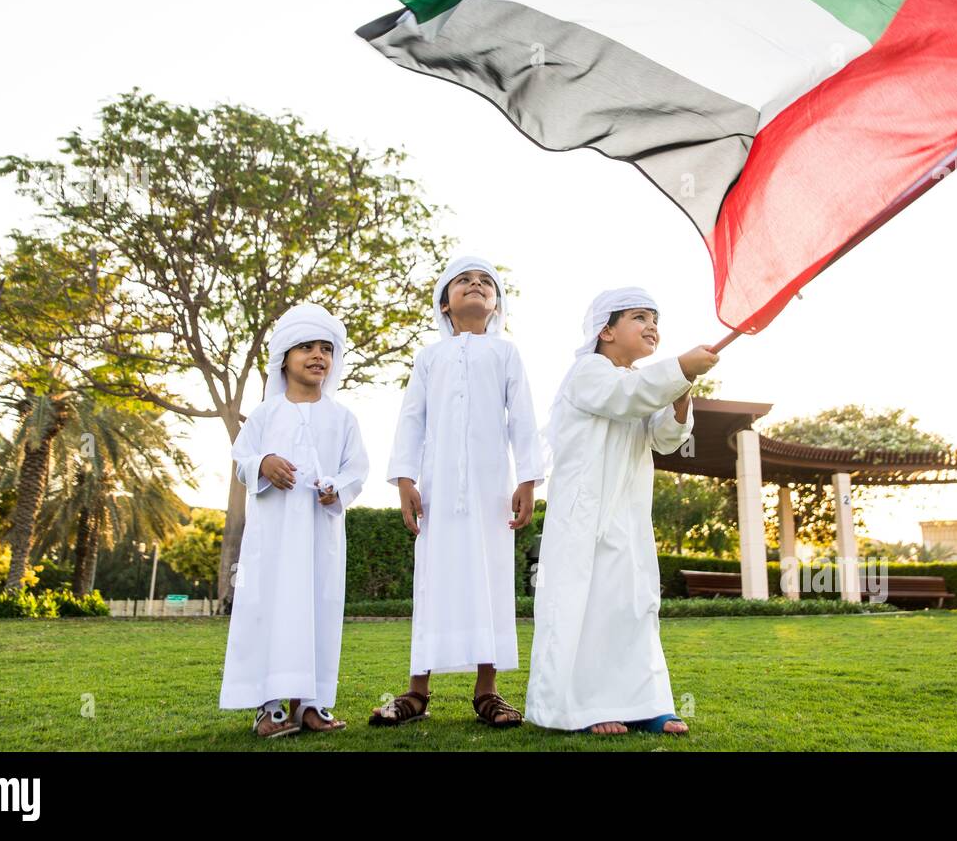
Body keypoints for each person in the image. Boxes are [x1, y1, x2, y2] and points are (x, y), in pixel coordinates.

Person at [525, 287, 719, 735]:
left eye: (655, 318)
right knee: (583, 607)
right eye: (639, 317)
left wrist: (682, 391)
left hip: (628, 516)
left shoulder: (636, 382)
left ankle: (646, 704)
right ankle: (582, 709)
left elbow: (666, 437)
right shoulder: (588, 372)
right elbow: (626, 397)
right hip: (583, 515)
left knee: (632, 606)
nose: (652, 326)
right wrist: (680, 369)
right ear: (606, 331)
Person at [371, 256, 545, 728]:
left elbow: (523, 417)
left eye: (485, 281)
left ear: (496, 303)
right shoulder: (430, 357)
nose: (475, 285)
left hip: (491, 489)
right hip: (438, 487)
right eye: (463, 280)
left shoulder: (506, 353)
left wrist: (527, 478)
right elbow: (412, 417)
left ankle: (487, 691)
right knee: (432, 579)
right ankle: (416, 691)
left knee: (490, 579)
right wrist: (406, 479)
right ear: (445, 305)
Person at [219, 303, 369, 737]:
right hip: (273, 538)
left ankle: (311, 703)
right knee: (270, 608)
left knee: (318, 609)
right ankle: (270, 708)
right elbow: (242, 457)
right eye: (306, 347)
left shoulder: (342, 417)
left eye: (325, 347)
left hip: (321, 534)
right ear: (284, 356)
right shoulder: (266, 414)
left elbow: (356, 468)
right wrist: (263, 463)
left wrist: (336, 487)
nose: (317, 355)